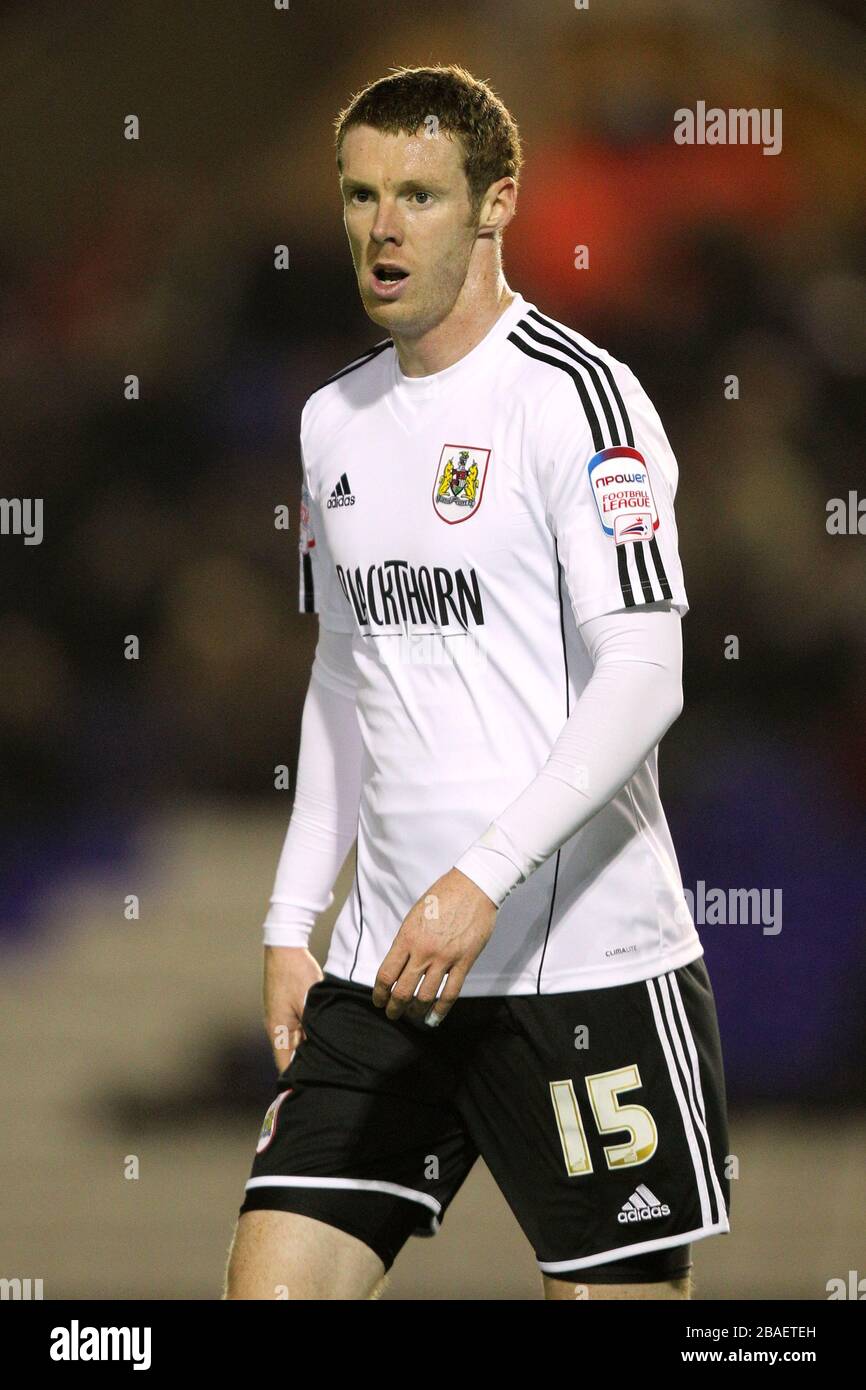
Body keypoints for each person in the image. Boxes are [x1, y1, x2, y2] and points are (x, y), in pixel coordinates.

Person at [224, 63, 730, 1302]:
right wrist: (295, 920)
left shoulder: (578, 400)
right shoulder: (331, 420)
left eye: (416, 195)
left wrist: (477, 879)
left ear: (496, 204)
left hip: (581, 970)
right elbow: (346, 676)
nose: (379, 229)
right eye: (357, 195)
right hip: (385, 975)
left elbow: (645, 674)